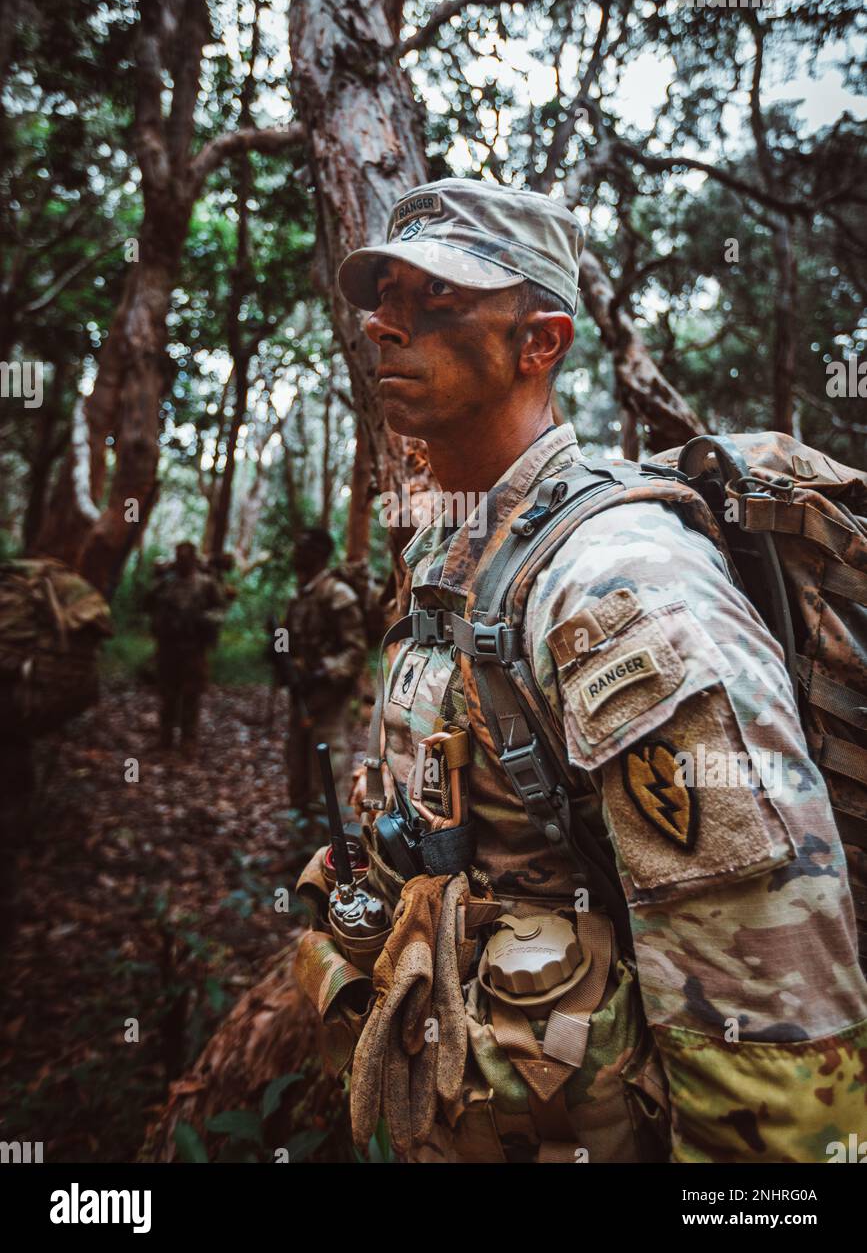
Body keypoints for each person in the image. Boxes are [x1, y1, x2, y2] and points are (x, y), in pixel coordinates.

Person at [296, 176, 867, 1164]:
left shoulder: (619, 582)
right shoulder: (449, 550)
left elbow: (772, 1029)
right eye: (381, 296)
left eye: (436, 299)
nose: (384, 326)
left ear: (541, 343)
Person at [283, 527, 367, 809]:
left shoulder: (337, 593)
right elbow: (289, 640)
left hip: (329, 699)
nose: (296, 553)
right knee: (297, 768)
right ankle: (302, 839)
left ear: (319, 554)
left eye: (303, 547)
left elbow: (355, 650)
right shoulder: (300, 594)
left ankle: (330, 843)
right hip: (302, 697)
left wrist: (322, 673)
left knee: (329, 771)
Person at [145, 541, 225, 756]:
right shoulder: (166, 583)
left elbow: (219, 610)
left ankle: (189, 740)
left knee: (191, 694)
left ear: (193, 559)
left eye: (186, 557)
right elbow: (147, 602)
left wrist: (202, 619)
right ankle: (165, 737)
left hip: (193, 647)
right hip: (168, 646)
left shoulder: (206, 583)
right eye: (179, 557)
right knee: (167, 693)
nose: (182, 561)